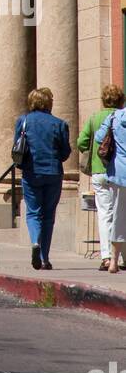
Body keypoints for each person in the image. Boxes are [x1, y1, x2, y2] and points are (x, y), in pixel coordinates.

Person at [14, 87, 71, 271]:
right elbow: (65, 152)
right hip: (53, 172)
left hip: (31, 172)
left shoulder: (23, 121)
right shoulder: (59, 124)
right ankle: (44, 257)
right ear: (48, 103)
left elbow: (16, 148)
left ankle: (34, 243)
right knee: (48, 215)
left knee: (33, 212)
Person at [77, 83, 125, 271]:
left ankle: (106, 256)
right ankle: (120, 257)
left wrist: (91, 151)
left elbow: (82, 141)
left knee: (105, 214)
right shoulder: (120, 116)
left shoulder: (95, 117)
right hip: (118, 171)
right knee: (120, 213)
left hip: (99, 171)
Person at [95, 95, 126, 273]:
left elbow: (100, 138)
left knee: (118, 216)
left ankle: (113, 261)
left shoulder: (114, 117)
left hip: (119, 172)